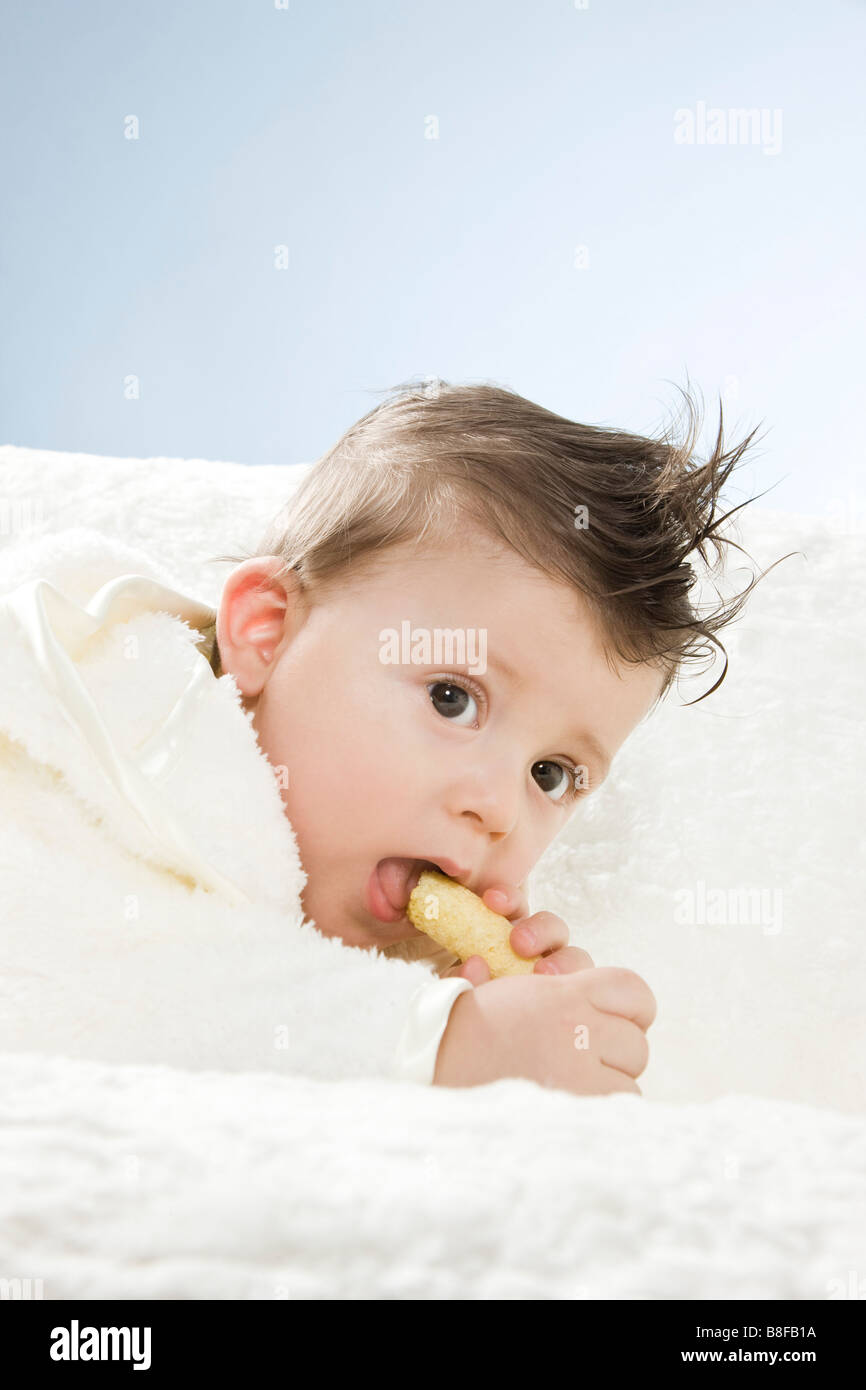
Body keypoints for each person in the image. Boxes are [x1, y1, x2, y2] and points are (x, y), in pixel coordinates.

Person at [0, 379, 784, 1093]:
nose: (497, 809)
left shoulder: (396, 967)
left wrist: (503, 1029)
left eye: (550, 775)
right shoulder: (98, 739)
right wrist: (440, 1046)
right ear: (266, 632)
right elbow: (81, 992)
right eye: (452, 699)